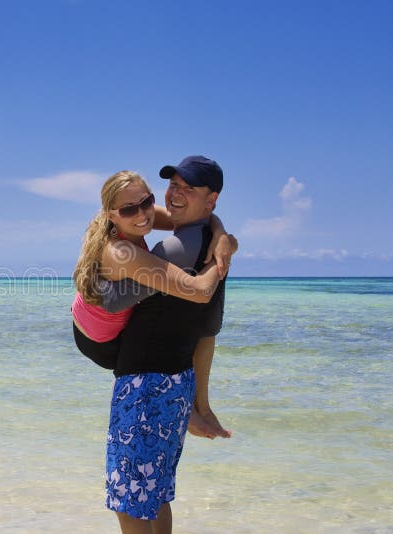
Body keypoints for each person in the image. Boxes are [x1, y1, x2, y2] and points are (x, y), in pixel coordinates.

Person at [104, 156, 232, 534]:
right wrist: (199, 403)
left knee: (130, 502)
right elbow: (207, 333)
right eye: (174, 184)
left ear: (211, 200)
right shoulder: (208, 243)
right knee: (156, 494)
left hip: (144, 389)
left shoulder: (170, 252)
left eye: (188, 189)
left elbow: (109, 300)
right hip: (175, 383)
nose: (175, 194)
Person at [71, 169, 236, 438]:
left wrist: (220, 235)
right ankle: (188, 412)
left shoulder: (141, 214)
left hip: (108, 319)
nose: (142, 214)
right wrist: (223, 255)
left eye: (146, 202)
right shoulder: (122, 252)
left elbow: (198, 217)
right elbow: (202, 290)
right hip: (99, 342)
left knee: (196, 315)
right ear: (111, 215)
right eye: (128, 210)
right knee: (188, 299)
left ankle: (201, 406)